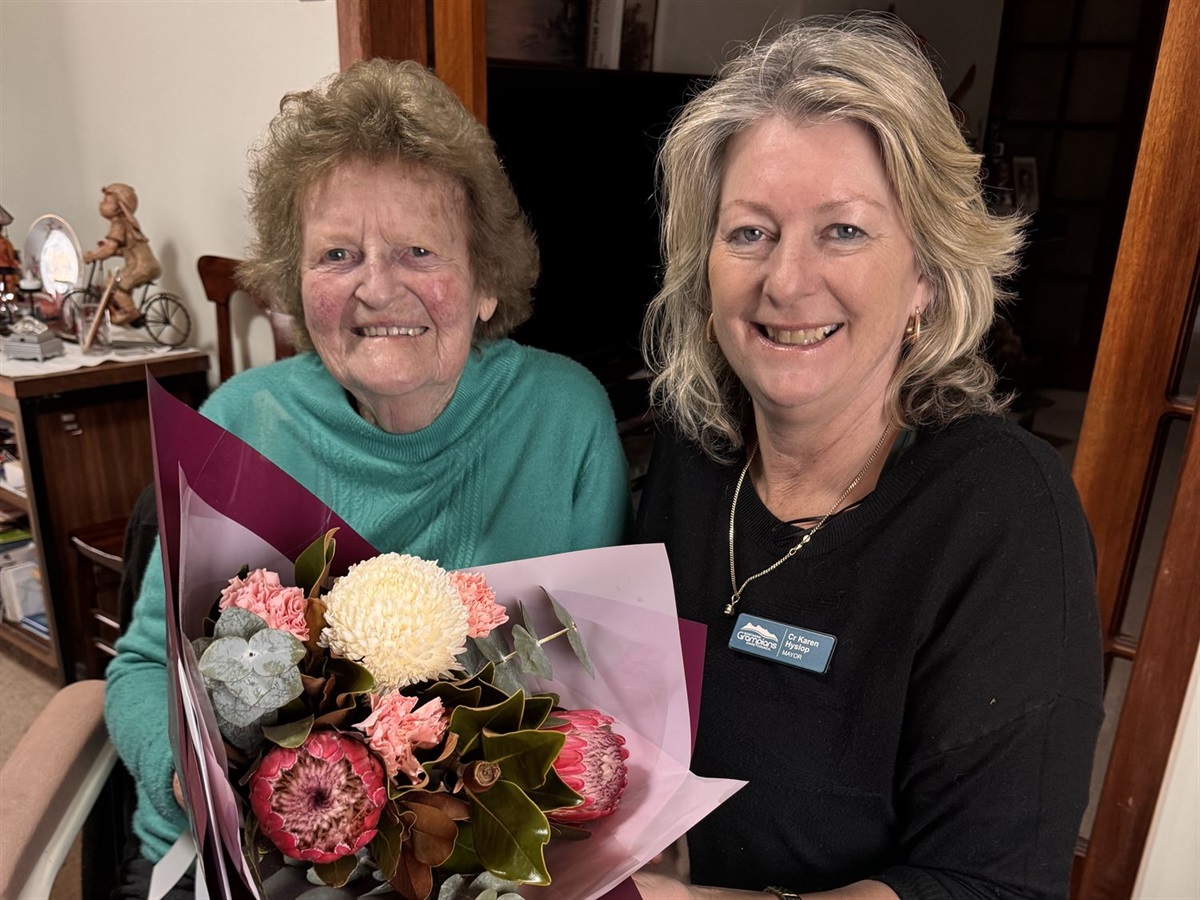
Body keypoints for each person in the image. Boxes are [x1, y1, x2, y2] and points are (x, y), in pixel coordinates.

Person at [104, 58, 632, 897]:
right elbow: (139, 669)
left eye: (419, 250)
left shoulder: (563, 419)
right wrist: (198, 785)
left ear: (487, 279)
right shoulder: (242, 422)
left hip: (469, 855)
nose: (378, 287)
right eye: (338, 254)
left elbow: (594, 682)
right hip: (237, 850)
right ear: (295, 285)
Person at [632, 13, 1103, 900]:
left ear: (926, 271)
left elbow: (991, 886)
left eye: (842, 230)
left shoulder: (1004, 515)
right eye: (749, 232)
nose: (786, 281)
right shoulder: (692, 452)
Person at [82, 182, 163, 325]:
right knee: (115, 282)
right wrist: (107, 251)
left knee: (114, 285)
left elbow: (110, 249)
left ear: (120, 206)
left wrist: (93, 256)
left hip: (141, 266)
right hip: (141, 264)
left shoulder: (119, 224)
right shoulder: (125, 224)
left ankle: (130, 313)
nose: (101, 203)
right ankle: (127, 312)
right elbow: (124, 250)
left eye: (107, 201)